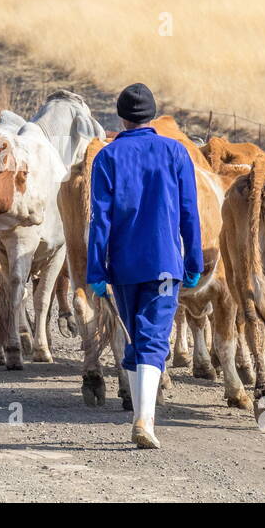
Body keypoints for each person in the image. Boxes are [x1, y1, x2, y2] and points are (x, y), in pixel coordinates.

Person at [86, 83, 202, 449]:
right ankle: (144, 420)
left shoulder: (107, 157)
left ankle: (142, 417)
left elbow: (99, 219)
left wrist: (95, 270)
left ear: (121, 116)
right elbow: (189, 213)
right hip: (166, 265)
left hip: (122, 265)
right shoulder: (176, 152)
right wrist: (194, 259)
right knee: (153, 337)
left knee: (136, 338)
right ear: (152, 115)